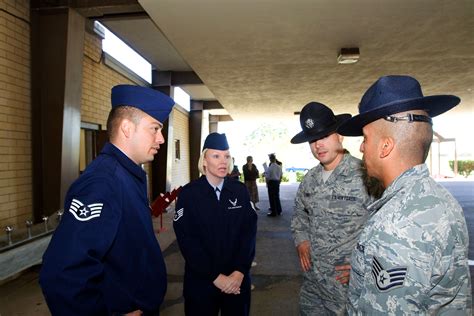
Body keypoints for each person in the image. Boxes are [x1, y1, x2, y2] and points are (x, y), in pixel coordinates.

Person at [338, 75, 472, 314]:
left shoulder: (395, 226)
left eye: (365, 139)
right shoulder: (441, 200)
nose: (360, 147)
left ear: (385, 146)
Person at [39, 85, 174, 315]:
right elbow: (62, 273)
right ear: (126, 128)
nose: (161, 138)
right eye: (155, 128)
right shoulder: (103, 183)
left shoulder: (126, 175)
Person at [290, 102, 381, 315]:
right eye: (313, 140)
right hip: (313, 284)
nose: (318, 145)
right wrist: (301, 240)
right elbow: (299, 216)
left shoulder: (365, 175)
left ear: (339, 135)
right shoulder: (310, 179)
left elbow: (384, 227)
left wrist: (364, 265)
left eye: (324, 137)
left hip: (347, 288)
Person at [173, 132, 258, 316]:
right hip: (202, 283)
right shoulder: (189, 195)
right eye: (216, 156)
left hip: (237, 281)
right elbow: (188, 242)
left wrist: (239, 272)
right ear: (204, 160)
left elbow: (248, 234)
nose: (223, 161)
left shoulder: (239, 191)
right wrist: (215, 277)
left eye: (227, 156)